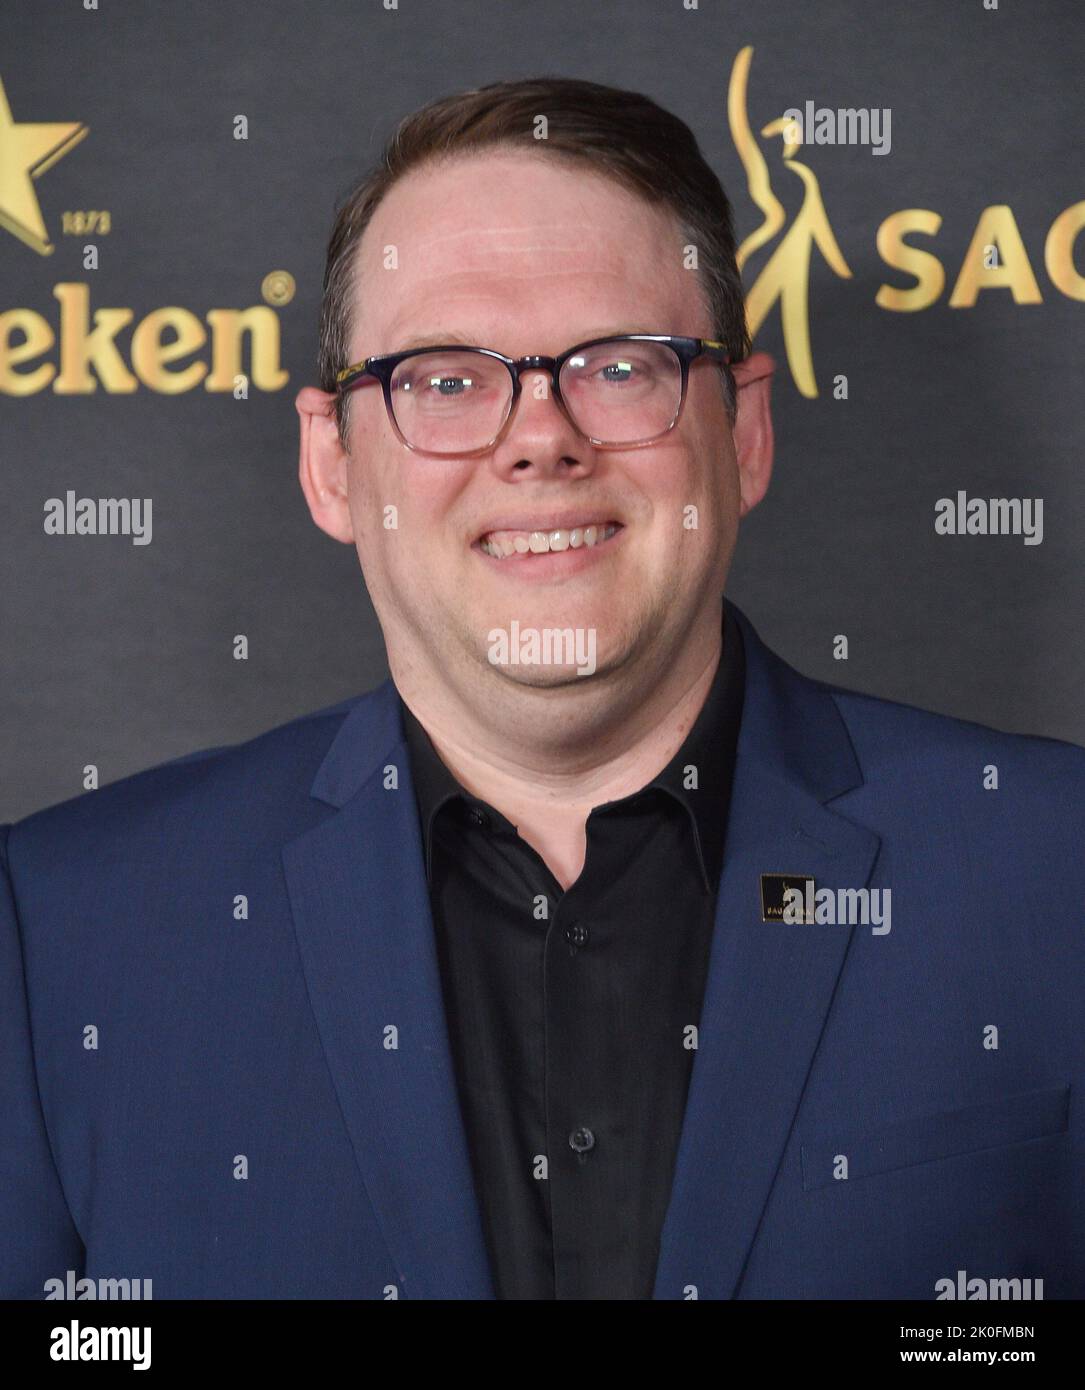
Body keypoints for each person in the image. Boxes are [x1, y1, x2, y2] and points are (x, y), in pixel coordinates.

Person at [2, 78, 1082, 1302]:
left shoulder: (1054, 868)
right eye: (445, 378)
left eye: (619, 366)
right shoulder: (63, 936)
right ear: (331, 466)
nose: (539, 436)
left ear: (744, 437)